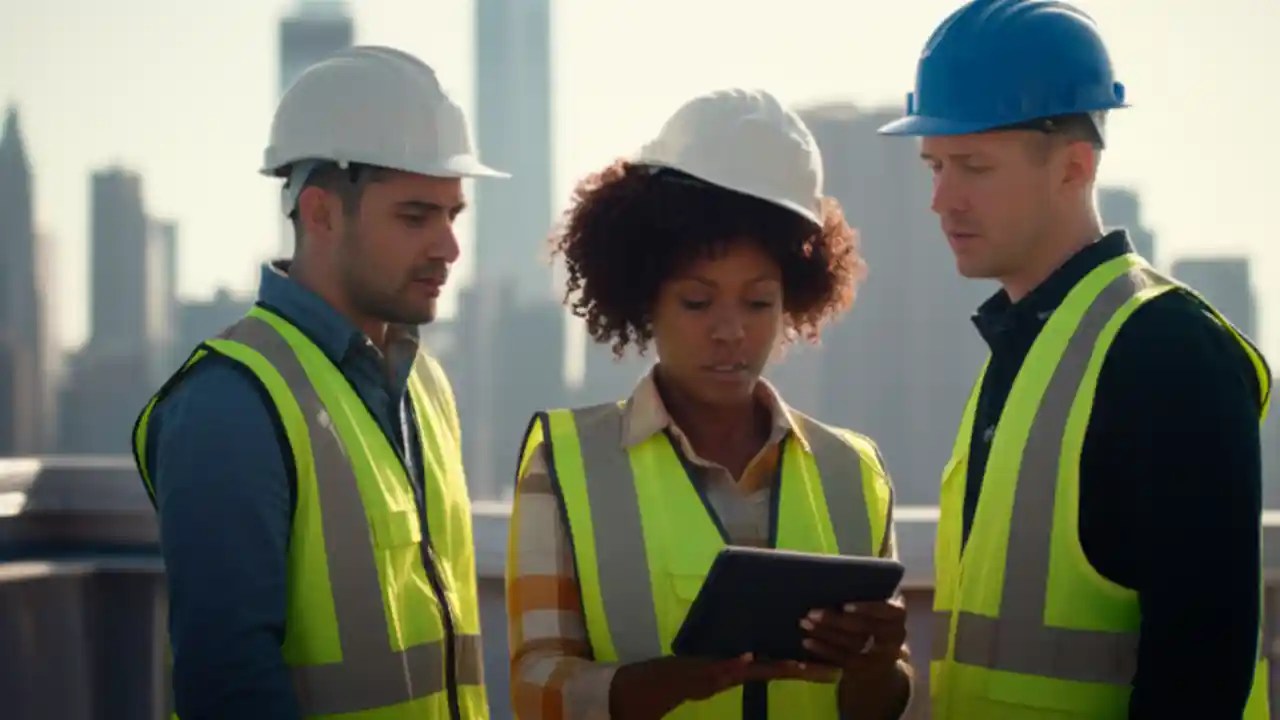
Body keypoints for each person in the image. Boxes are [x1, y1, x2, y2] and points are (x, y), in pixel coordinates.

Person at [877, 1, 1272, 718]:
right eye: (934, 165)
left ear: (1073, 167)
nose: (941, 199)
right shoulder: (1031, 345)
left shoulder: (1168, 351)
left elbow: (1202, 669)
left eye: (973, 166)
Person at [505, 88, 913, 720]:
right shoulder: (563, 465)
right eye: (698, 303)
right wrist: (672, 682)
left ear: (793, 303)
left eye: (758, 304)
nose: (731, 332)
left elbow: (877, 705)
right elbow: (535, 689)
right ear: (647, 300)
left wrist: (879, 665)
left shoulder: (854, 471)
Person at [131, 46, 505, 719]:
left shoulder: (427, 385)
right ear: (321, 213)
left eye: (455, 216)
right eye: (416, 217)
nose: (449, 247)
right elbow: (229, 690)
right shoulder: (230, 405)